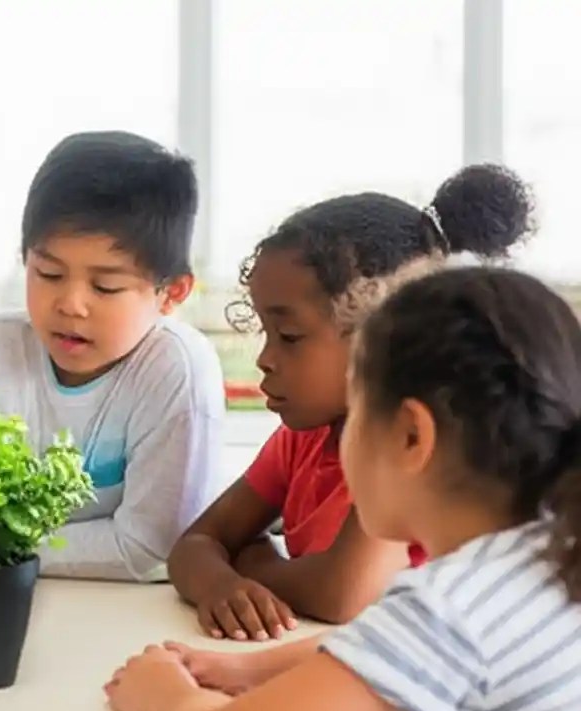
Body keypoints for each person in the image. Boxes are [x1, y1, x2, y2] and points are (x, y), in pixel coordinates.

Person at [107, 265, 581, 711]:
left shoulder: (445, 612)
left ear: (411, 436)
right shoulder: (545, 557)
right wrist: (242, 668)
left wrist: (165, 698)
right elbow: (375, 644)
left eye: (357, 406)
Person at [166, 164, 534, 640]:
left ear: (379, 339)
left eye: (290, 336)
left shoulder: (411, 452)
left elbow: (340, 595)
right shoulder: (300, 442)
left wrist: (255, 560)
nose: (265, 359)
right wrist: (220, 584)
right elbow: (195, 544)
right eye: (265, 333)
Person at [0, 131, 226, 582]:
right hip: (2, 597)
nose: (71, 304)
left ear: (171, 293)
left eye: (106, 287)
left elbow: (146, 547)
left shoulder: (176, 369)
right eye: (48, 273)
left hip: (138, 612)